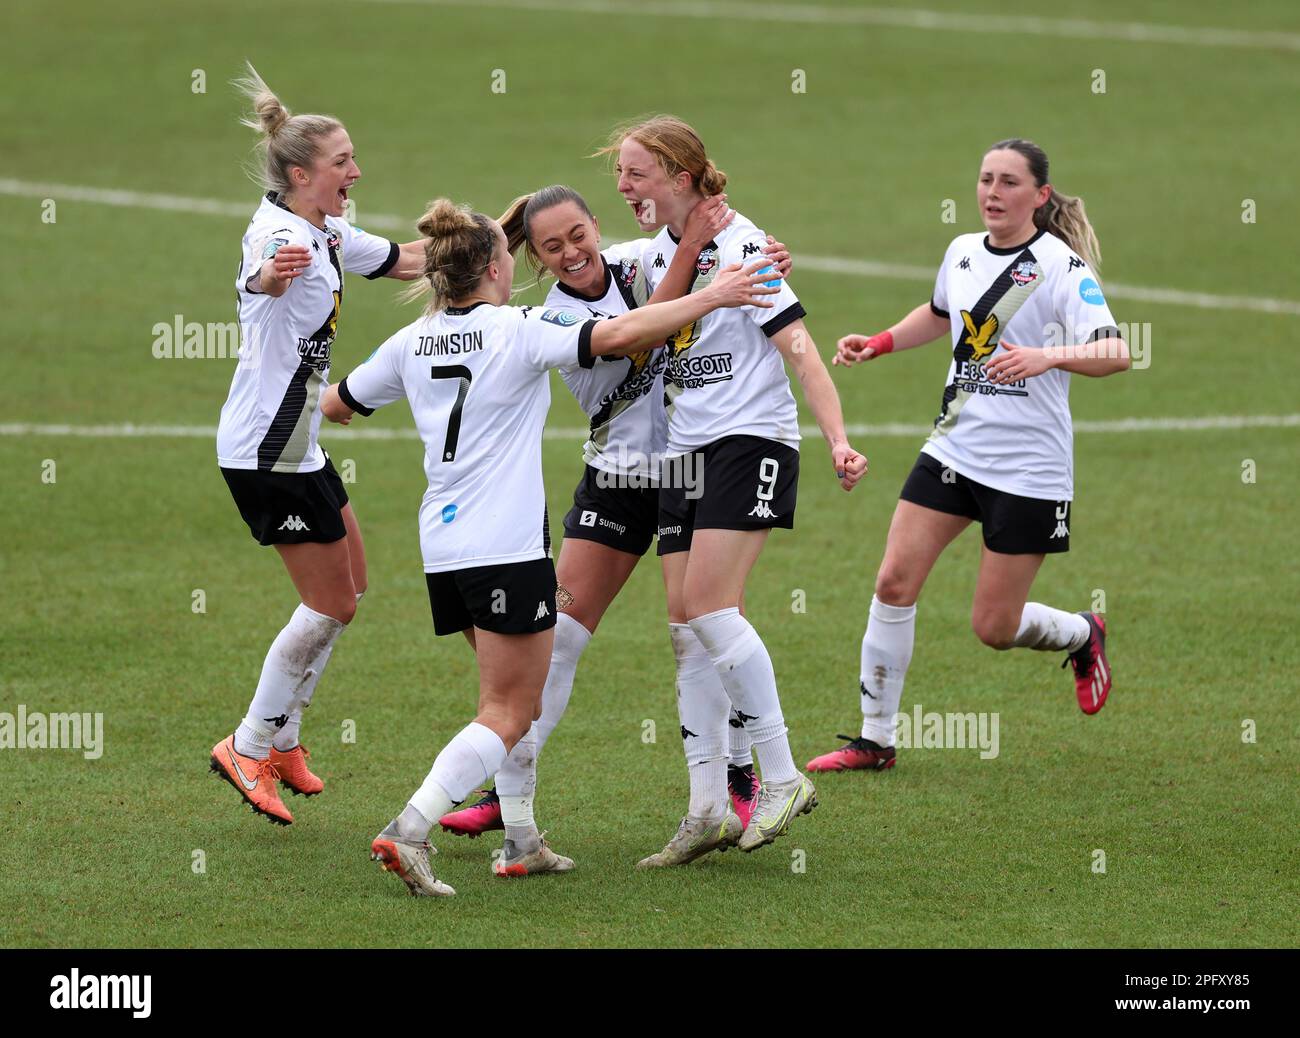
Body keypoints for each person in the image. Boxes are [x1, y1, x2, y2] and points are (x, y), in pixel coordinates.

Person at [320, 199, 781, 896]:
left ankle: (522, 839)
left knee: (513, 697)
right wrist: (717, 292)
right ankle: (409, 829)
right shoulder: (523, 328)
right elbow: (624, 334)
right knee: (510, 710)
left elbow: (335, 404)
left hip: (441, 548)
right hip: (505, 546)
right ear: (502, 265)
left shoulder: (409, 343)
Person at [436, 187, 794, 856]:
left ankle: (732, 783)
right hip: (620, 476)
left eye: (578, 234)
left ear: (596, 226)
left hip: (694, 466)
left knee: (702, 630)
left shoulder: (643, 258)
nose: (572, 252)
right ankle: (507, 785)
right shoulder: (554, 316)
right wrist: (692, 256)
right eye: (552, 246)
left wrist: (764, 261)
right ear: (537, 259)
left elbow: (729, 260)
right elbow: (641, 335)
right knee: (558, 633)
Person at [808, 137, 1128, 774]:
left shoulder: (1060, 267)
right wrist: (880, 342)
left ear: (1039, 196)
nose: (992, 193)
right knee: (893, 582)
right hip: (954, 448)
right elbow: (940, 315)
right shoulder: (960, 252)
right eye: (986, 180)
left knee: (994, 626)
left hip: (1029, 468)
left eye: (1009, 182)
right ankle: (875, 741)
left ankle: (1081, 633)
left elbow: (1116, 352)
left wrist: (1049, 355)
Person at [602, 116, 868, 863]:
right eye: (620, 175)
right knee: (686, 629)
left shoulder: (748, 247)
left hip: (747, 444)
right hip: (683, 453)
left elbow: (802, 352)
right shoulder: (657, 252)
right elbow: (622, 304)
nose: (624, 188)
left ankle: (781, 777)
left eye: (636, 175)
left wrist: (838, 441)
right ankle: (708, 808)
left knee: (713, 607)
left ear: (681, 179)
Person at [209, 65, 424, 825]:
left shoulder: (326, 227)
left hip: (297, 442)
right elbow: (259, 279)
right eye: (342, 163)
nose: (355, 172)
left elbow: (404, 258)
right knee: (328, 601)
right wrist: (272, 277)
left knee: (351, 590)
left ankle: (286, 741)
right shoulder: (279, 235)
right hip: (268, 453)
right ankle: (248, 743)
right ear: (301, 174)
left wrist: (494, 237)